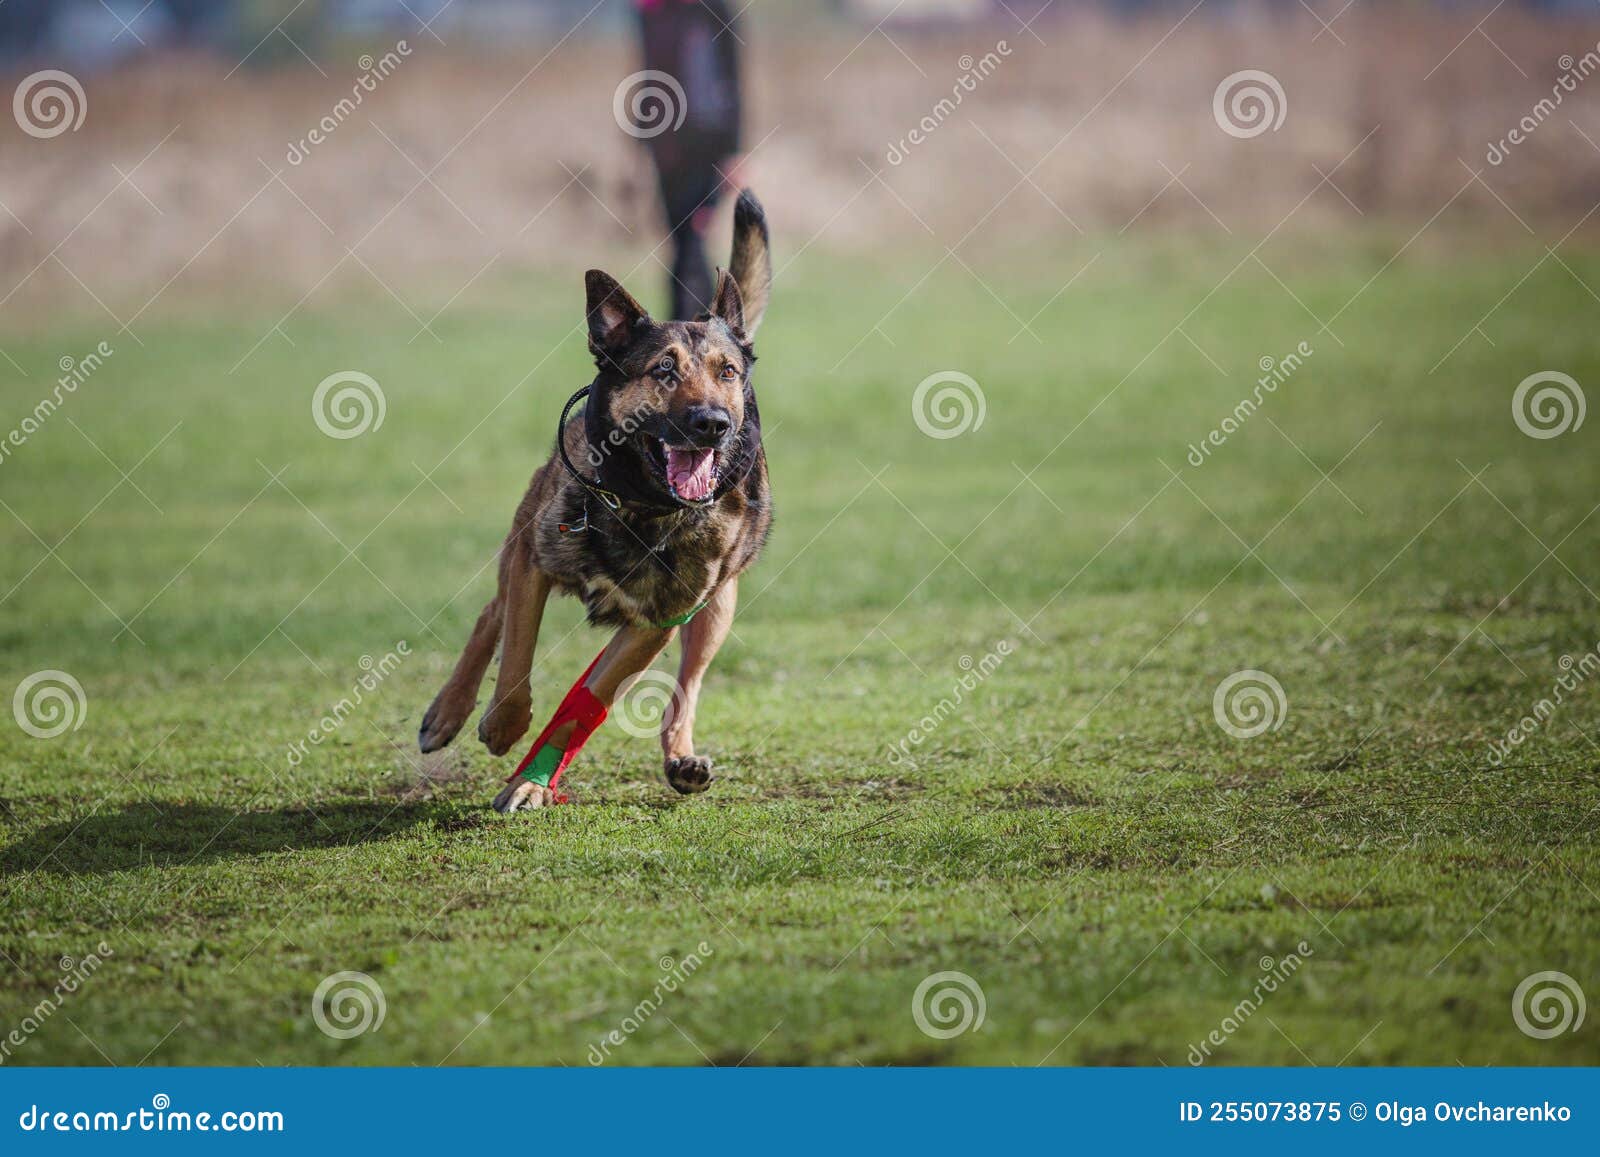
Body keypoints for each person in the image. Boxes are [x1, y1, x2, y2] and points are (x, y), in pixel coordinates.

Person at [631, 0, 743, 320]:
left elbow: (733, 80)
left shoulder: (714, 10)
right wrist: (639, 147)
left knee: (693, 240)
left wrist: (735, 152)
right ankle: (695, 325)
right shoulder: (650, 12)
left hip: (708, 146)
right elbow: (647, 78)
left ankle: (692, 323)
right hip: (666, 149)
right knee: (680, 242)